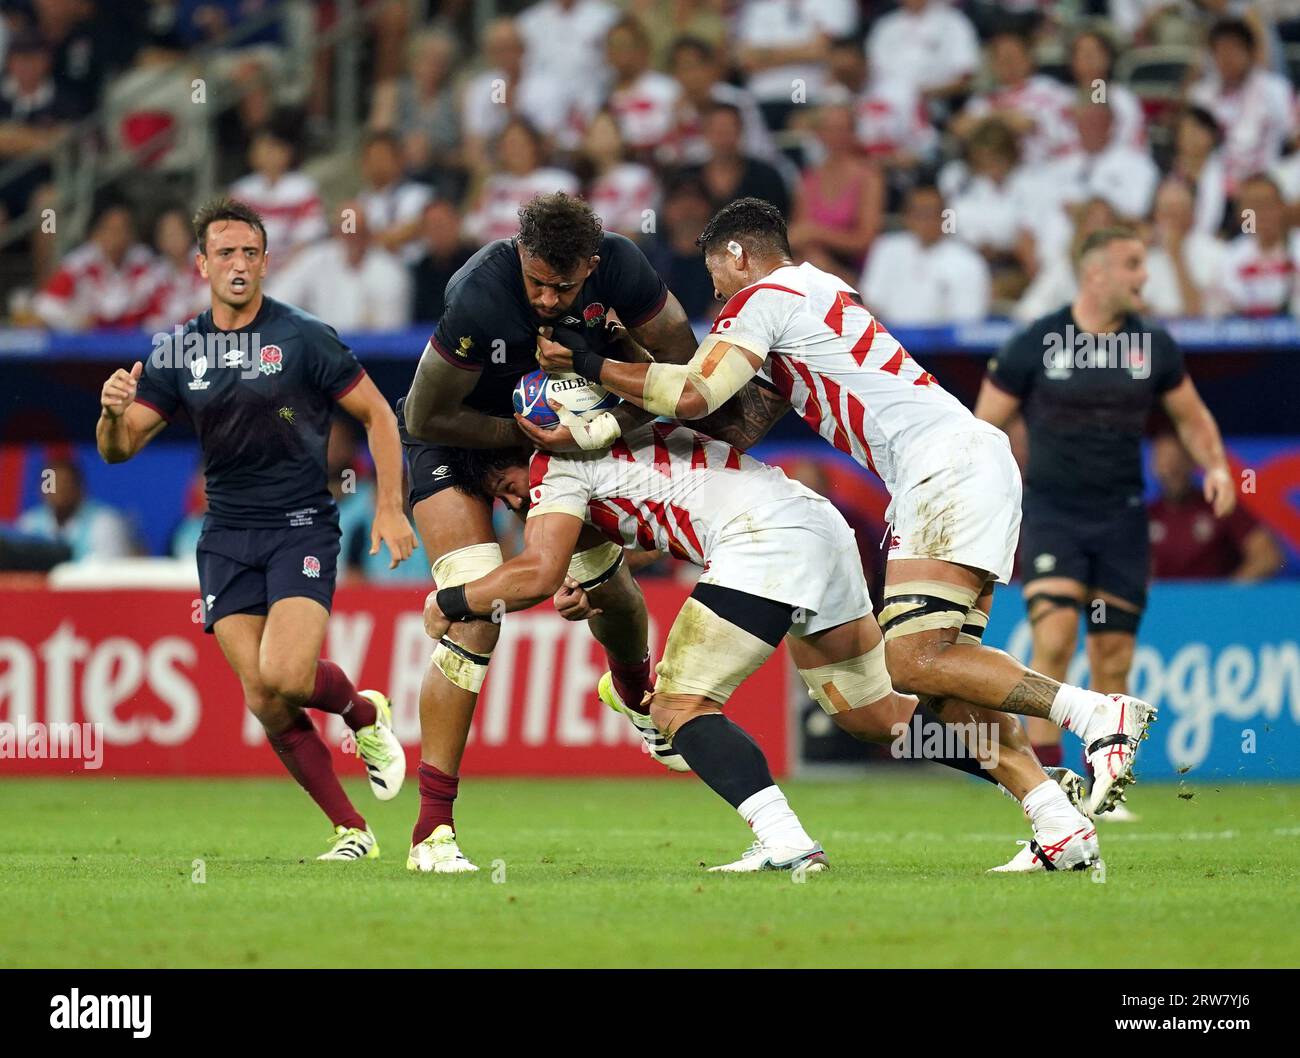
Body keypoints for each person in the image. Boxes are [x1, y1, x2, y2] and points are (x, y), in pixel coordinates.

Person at [530, 198, 1155, 864]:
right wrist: (627, 361)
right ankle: (1058, 824)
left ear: (739, 256)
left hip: (941, 467)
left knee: (910, 661)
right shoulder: (818, 293)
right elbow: (737, 424)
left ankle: (1092, 713)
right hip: (959, 462)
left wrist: (590, 363)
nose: (718, 304)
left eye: (718, 284)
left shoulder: (763, 297)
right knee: (942, 681)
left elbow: (694, 396)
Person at [424, 424, 1102, 873]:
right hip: (817, 525)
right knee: (871, 715)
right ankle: (1050, 806)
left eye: (508, 488)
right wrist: (588, 579)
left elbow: (535, 574)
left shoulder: (553, 469)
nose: (517, 503)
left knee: (681, 704)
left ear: (522, 456)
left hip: (764, 539)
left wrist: (449, 600)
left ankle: (785, 840)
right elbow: (652, 522)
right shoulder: (619, 440)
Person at [399, 192, 739, 873]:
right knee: (478, 613)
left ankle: (634, 690)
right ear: (519, 256)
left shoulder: (625, 270)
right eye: (537, 284)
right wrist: (515, 447)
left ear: (592, 263)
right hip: (460, 443)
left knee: (608, 591)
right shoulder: (478, 295)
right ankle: (431, 833)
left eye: (566, 285)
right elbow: (425, 414)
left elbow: (687, 382)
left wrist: (600, 426)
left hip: (564, 442)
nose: (550, 300)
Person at [95, 197, 416, 862]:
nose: (237, 264)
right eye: (225, 253)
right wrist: (109, 415)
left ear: (267, 263)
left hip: (300, 525)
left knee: (288, 673)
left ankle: (363, 714)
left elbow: (380, 416)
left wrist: (389, 506)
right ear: (201, 264)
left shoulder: (303, 336)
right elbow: (121, 448)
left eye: (249, 253)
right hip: (224, 535)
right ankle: (351, 829)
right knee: (264, 697)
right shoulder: (180, 350)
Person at [974, 225, 1235, 812]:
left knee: (1113, 657)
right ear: (1097, 274)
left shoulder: (1154, 346)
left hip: (1121, 517)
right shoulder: (1036, 342)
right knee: (1055, 637)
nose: (1145, 276)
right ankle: (1047, 786)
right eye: (1134, 264)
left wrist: (1216, 467)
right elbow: (984, 426)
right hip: (1052, 513)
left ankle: (1105, 787)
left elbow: (1192, 418)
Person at [1149, 433, 1283, 581]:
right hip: (1162, 603)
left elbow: (1268, 556)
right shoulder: (1145, 516)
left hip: (1214, 602)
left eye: (1177, 461)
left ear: (1192, 462)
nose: (1171, 470)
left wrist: (1227, 594)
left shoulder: (1220, 506)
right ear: (1154, 466)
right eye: (1165, 462)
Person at [859, 182, 991, 324]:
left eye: (931, 214)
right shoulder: (887, 248)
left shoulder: (968, 261)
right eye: (918, 214)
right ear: (906, 217)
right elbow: (870, 302)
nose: (925, 221)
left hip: (944, 344)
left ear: (945, 218)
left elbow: (967, 321)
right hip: (889, 339)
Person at [17, 457, 135, 561]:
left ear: (80, 488)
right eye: (51, 484)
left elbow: (111, 574)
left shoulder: (105, 522)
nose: (58, 491)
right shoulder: (30, 524)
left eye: (64, 483)